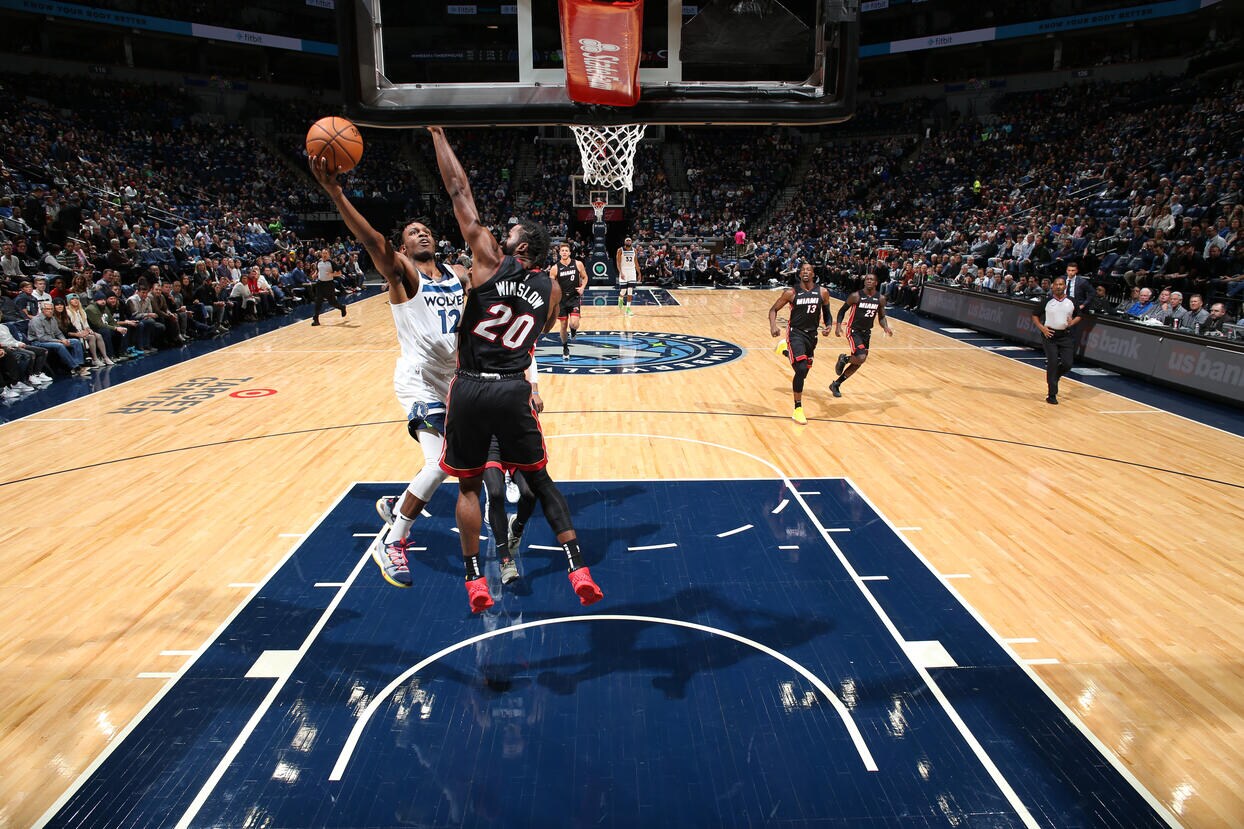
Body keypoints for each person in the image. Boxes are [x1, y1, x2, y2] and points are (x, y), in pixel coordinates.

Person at [428, 125, 603, 613]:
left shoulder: (486, 259)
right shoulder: (551, 292)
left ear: (520, 249)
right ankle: (577, 567)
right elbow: (532, 342)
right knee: (541, 480)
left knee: (467, 484)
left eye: (511, 235)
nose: (501, 236)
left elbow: (459, 191)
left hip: (469, 388)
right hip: (512, 388)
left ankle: (473, 579)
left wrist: (440, 135)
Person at [310, 155, 466, 589]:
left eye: (426, 230)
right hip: (418, 378)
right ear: (403, 246)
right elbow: (373, 241)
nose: (422, 234)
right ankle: (392, 541)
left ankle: (401, 501)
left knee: (466, 459)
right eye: (412, 232)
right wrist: (336, 192)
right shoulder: (402, 273)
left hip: (453, 380)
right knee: (438, 466)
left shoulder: (457, 274)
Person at [481, 368, 542, 585]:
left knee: (530, 494)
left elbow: (530, 359)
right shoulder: (476, 358)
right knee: (495, 493)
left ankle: (516, 528)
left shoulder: (516, 349)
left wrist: (534, 390)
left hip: (514, 436)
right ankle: (505, 559)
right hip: (489, 438)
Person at [768, 262, 833, 424]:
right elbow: (773, 310)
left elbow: (827, 314)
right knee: (801, 368)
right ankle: (798, 408)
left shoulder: (823, 292)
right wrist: (773, 326)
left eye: (808, 270)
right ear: (799, 274)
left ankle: (785, 350)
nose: (805, 272)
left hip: (812, 335)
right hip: (795, 333)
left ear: (813, 274)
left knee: (803, 372)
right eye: (803, 270)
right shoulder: (791, 292)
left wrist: (829, 326)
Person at [829, 273, 893, 398]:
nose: (869, 281)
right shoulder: (855, 296)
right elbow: (842, 311)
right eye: (867, 279)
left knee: (858, 363)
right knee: (861, 357)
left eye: (871, 279)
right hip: (853, 331)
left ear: (876, 283)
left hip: (866, 333)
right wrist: (838, 326)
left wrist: (885, 327)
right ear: (864, 282)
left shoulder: (880, 299)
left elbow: (882, 317)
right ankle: (844, 359)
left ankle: (836, 384)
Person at [1031, 275, 1082, 404]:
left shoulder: (1072, 301)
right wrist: (1042, 329)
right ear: (1053, 286)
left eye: (1061, 284)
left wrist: (1072, 322)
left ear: (1065, 286)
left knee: (1067, 364)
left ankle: (1056, 376)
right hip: (1050, 335)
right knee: (1053, 363)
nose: (1058, 286)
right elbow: (1035, 315)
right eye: (1056, 284)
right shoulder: (1047, 301)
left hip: (1066, 335)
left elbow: (1079, 316)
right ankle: (1052, 394)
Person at [550, 243, 589, 360]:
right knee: (563, 326)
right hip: (561, 300)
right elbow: (551, 285)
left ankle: (573, 329)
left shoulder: (578, 264)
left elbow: (585, 277)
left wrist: (582, 287)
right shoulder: (555, 268)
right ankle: (565, 348)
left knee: (574, 323)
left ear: (570, 252)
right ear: (560, 253)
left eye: (566, 250)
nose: (564, 252)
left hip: (574, 298)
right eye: (562, 251)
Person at [311, 248, 346, 326]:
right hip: (320, 283)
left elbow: (339, 273)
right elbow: (318, 270)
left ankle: (342, 308)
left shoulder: (332, 263)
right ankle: (316, 319)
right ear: (321, 254)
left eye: (326, 253)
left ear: (329, 254)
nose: (324, 255)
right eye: (323, 253)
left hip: (329, 284)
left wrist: (332, 274)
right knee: (318, 301)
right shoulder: (318, 262)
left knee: (332, 302)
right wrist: (315, 274)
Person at [615, 237, 640, 316]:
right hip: (624, 271)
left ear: (631, 242)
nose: (628, 241)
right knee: (623, 291)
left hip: (632, 272)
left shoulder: (634, 250)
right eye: (627, 240)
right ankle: (620, 298)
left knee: (630, 291)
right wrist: (621, 272)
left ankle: (628, 309)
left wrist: (639, 273)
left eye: (629, 240)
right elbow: (618, 263)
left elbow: (636, 262)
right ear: (624, 242)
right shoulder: (620, 250)